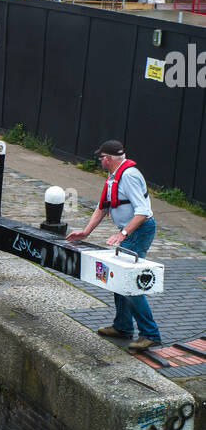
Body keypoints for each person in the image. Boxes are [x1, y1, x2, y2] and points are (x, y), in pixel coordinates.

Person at [66, 140, 162, 352]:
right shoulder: (114, 176)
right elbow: (103, 207)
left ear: (107, 158)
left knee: (130, 282)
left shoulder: (129, 176)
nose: (99, 161)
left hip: (139, 231)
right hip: (131, 231)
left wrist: (123, 233)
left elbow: (143, 211)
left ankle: (150, 334)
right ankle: (122, 327)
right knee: (119, 279)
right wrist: (85, 231)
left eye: (100, 158)